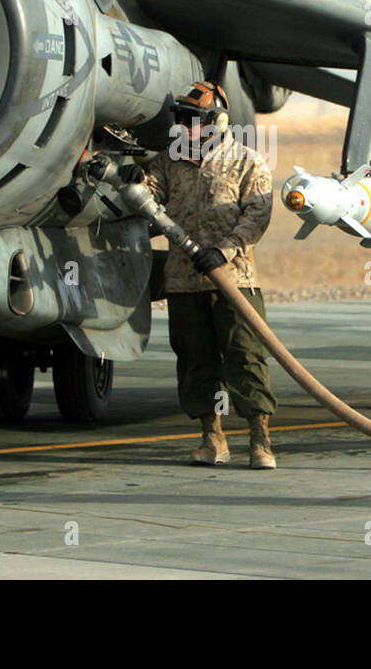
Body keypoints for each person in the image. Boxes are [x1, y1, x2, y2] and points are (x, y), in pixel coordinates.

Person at [118, 81, 279, 469]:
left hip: (235, 280)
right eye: (181, 121)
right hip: (184, 281)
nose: (185, 129)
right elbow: (148, 195)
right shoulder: (169, 163)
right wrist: (132, 177)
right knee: (195, 360)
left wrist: (222, 251)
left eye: (192, 121)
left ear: (216, 123)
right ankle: (213, 438)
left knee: (246, 357)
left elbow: (257, 216)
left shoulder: (247, 162)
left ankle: (260, 440)